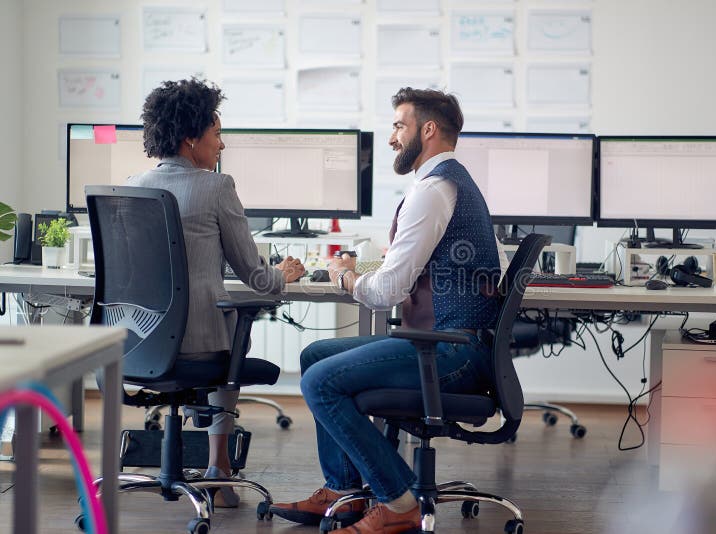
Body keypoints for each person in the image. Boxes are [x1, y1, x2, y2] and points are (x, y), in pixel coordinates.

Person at [270, 87, 505, 533]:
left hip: (452, 354)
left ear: (428, 129)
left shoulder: (433, 191)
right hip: (452, 344)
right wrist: (368, 268)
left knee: (321, 382)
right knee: (314, 356)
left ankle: (399, 501)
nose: (392, 137)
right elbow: (410, 267)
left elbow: (388, 291)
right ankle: (344, 491)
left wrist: (344, 276)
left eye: (399, 125)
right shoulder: (451, 182)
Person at [128, 78, 305, 507]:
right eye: (217, 134)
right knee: (231, 331)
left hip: (134, 345)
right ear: (192, 139)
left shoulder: (131, 186)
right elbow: (257, 279)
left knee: (218, 326)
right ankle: (218, 471)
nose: (221, 145)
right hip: (196, 349)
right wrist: (286, 272)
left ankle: (208, 467)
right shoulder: (217, 187)